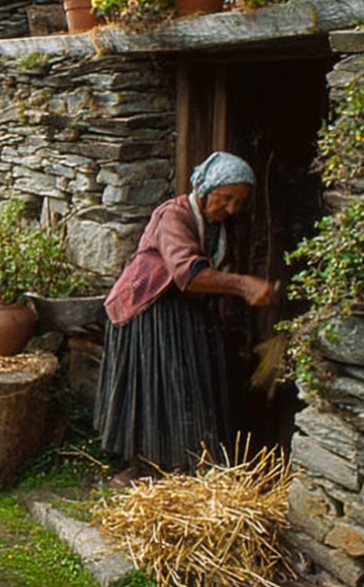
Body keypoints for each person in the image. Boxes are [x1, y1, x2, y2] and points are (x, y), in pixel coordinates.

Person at [97, 151, 277, 485]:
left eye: (239, 202)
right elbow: (187, 274)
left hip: (181, 306)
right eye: (226, 198)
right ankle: (141, 468)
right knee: (156, 383)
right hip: (147, 307)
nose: (232, 209)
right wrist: (242, 284)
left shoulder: (217, 226)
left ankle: (183, 467)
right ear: (206, 188)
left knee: (196, 379)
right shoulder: (174, 216)